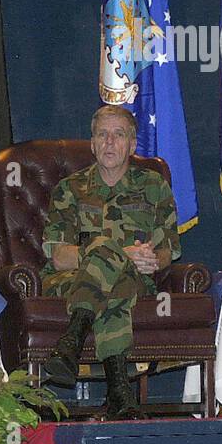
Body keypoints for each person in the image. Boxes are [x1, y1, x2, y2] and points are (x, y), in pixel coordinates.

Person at [40, 105, 181, 420]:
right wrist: (119, 253)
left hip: (133, 281)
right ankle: (120, 393)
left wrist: (152, 261)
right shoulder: (69, 189)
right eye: (102, 135)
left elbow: (168, 250)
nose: (109, 143)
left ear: (132, 144)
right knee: (108, 259)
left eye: (119, 135)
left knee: (118, 278)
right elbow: (60, 257)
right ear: (92, 144)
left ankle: (71, 343)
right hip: (70, 282)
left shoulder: (153, 187)